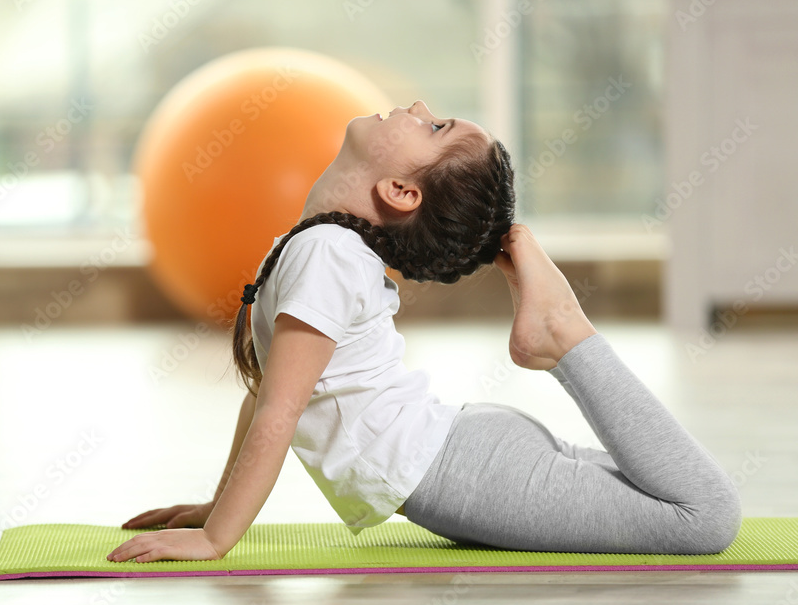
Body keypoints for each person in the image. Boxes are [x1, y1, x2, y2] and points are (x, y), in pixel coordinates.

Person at [107, 100, 741, 564]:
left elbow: (278, 410)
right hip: (468, 458)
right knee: (681, 500)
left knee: (703, 515)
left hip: (467, 472)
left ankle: (563, 331)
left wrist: (217, 537)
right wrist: (214, 511)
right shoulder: (321, 249)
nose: (416, 107)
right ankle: (559, 326)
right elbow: (268, 395)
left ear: (401, 191)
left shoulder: (325, 255)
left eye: (435, 127)